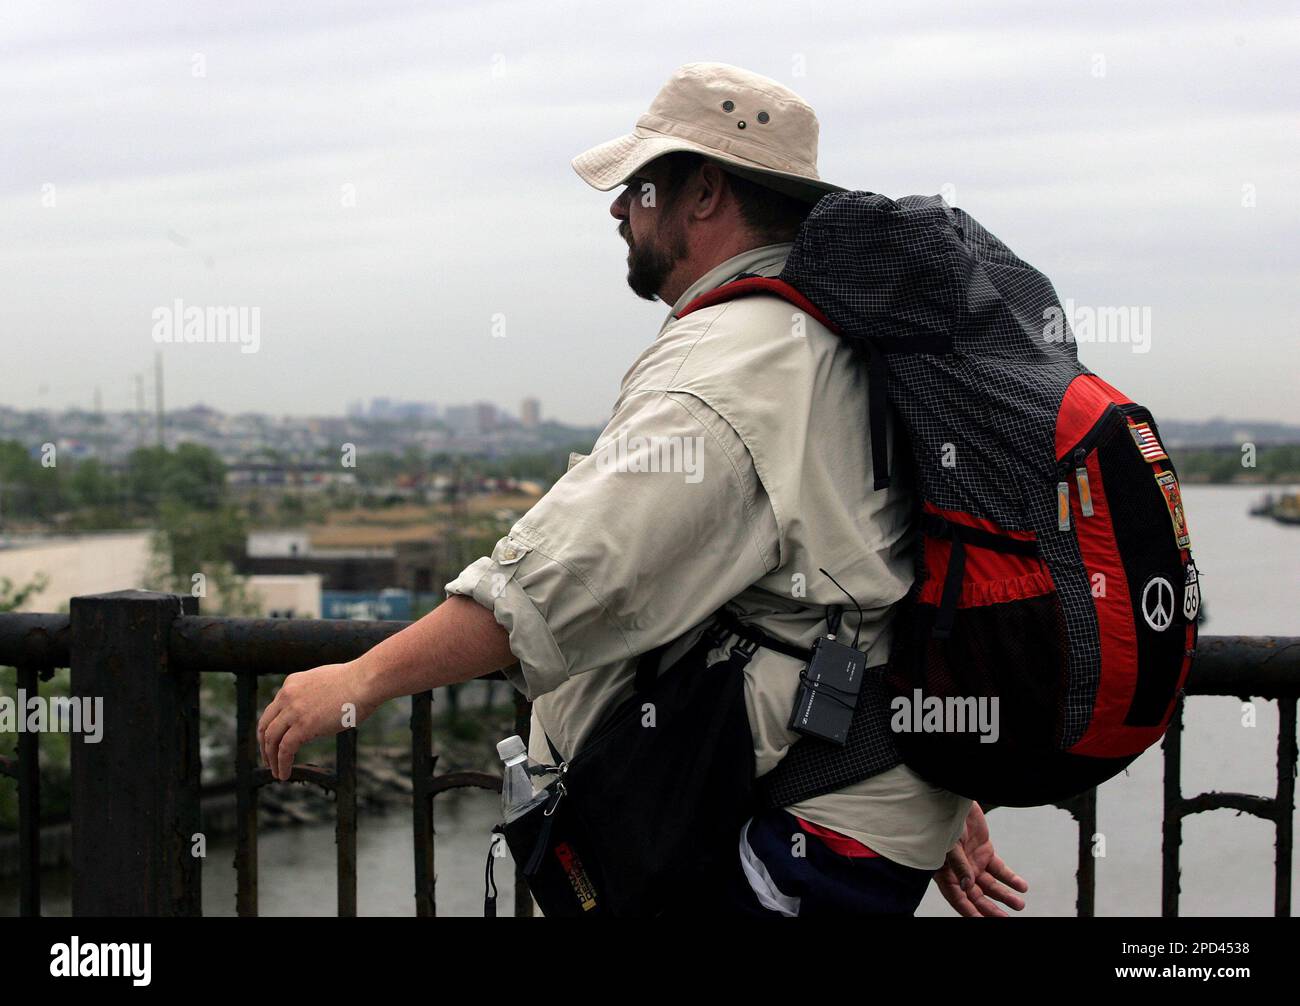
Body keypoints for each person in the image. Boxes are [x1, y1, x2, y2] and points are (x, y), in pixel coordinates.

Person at [258, 62, 1029, 917]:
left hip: (786, 837)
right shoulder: (847, 334)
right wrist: (923, 766)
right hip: (854, 801)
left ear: (703, 194)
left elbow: (559, 580)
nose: (619, 210)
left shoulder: (732, 365)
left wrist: (359, 678)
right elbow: (879, 575)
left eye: (640, 188)